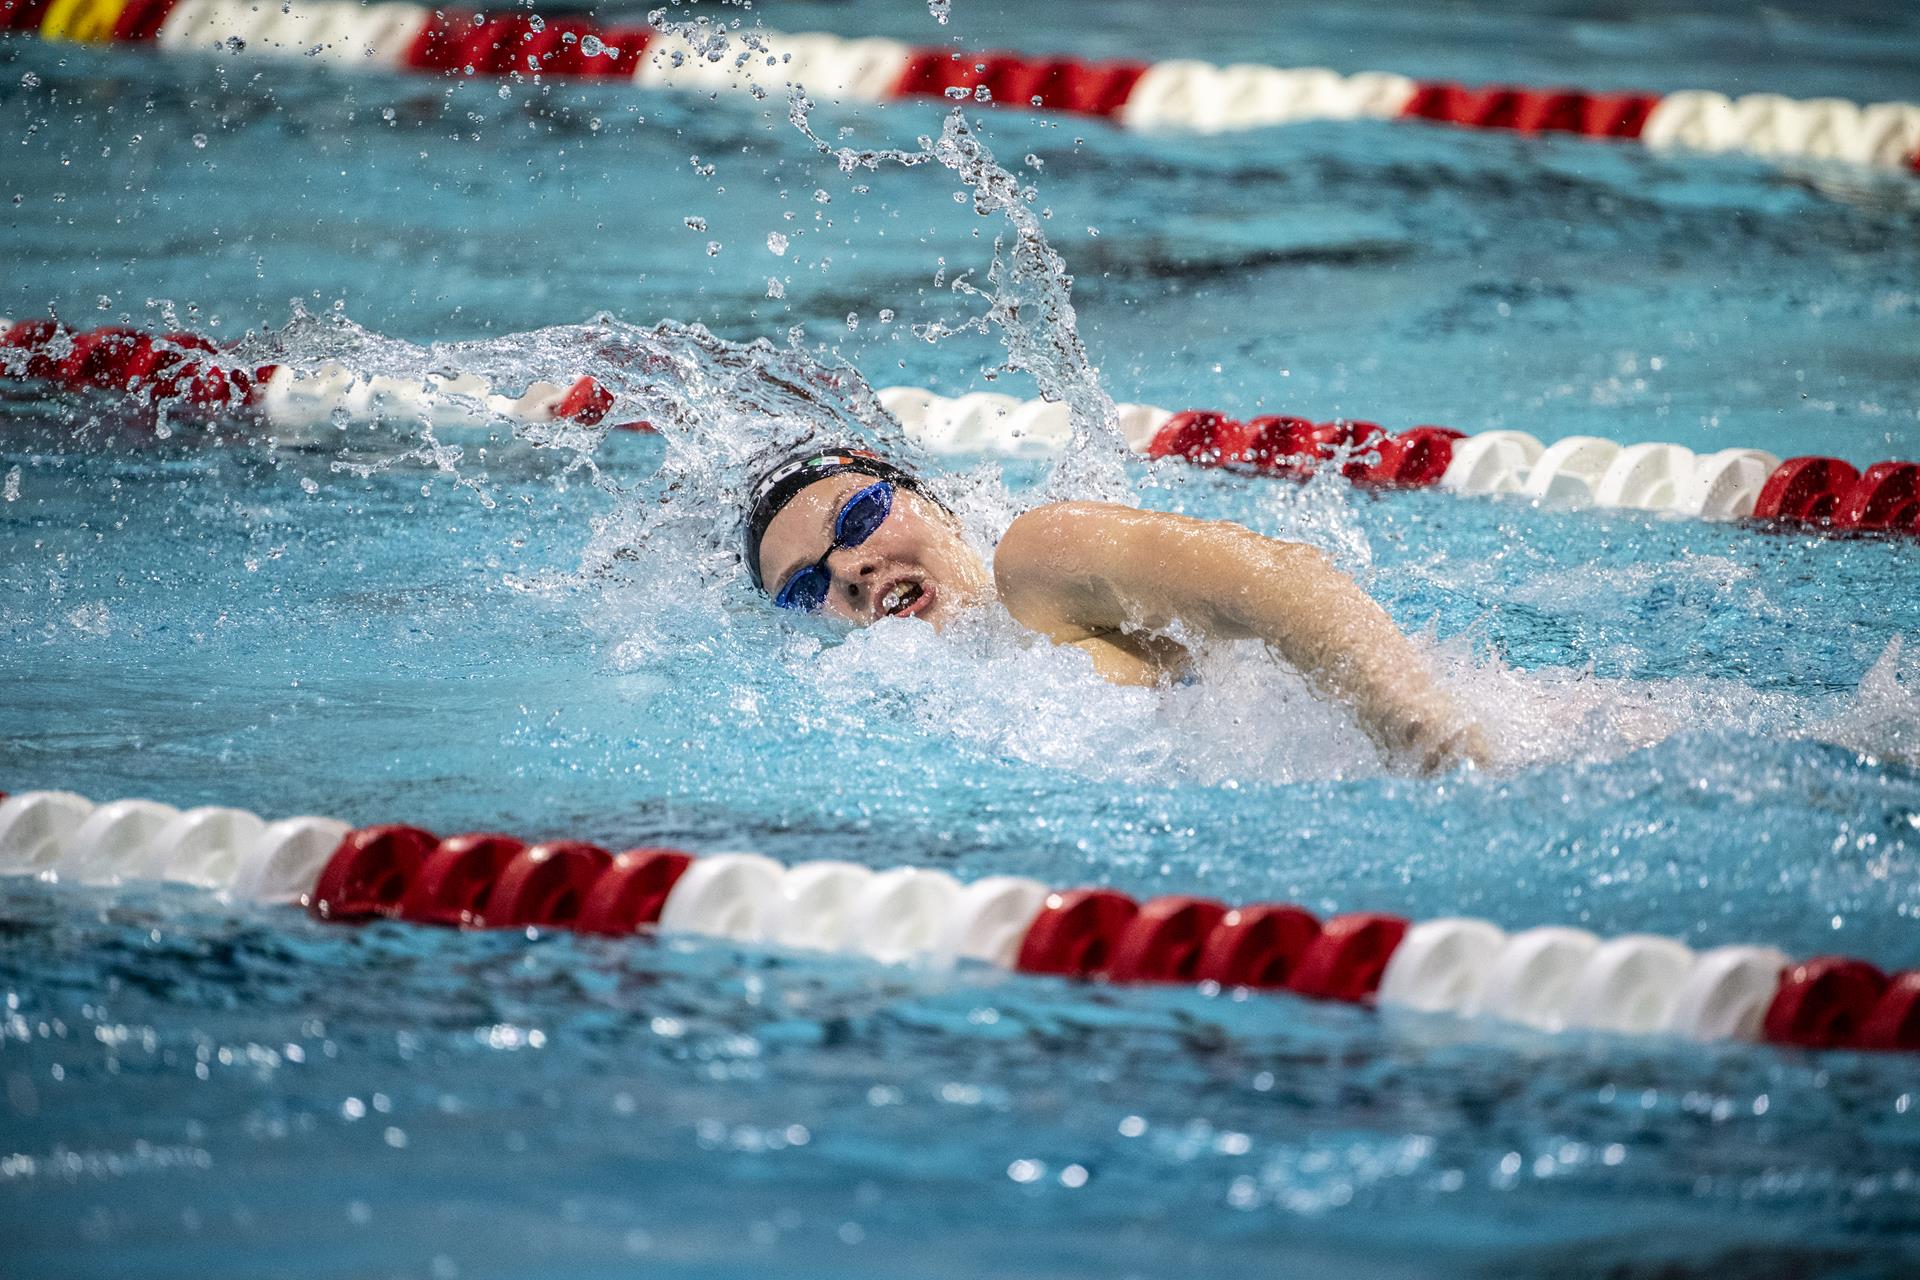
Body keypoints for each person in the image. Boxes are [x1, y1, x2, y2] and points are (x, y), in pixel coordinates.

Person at [744, 447, 1489, 773]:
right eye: (805, 587)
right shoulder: (928, 710)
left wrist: (1422, 737)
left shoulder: (1036, 563)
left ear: (933, 503)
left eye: (860, 516)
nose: (848, 570)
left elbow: (1281, 583)